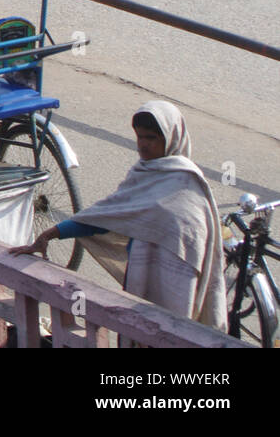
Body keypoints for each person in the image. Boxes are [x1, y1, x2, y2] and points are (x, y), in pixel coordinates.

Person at [12, 102, 227, 335]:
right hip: (141, 274)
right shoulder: (143, 173)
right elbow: (106, 216)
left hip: (178, 282)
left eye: (152, 138)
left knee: (175, 334)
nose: (143, 144)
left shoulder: (187, 182)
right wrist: (50, 234)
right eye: (140, 137)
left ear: (172, 139)